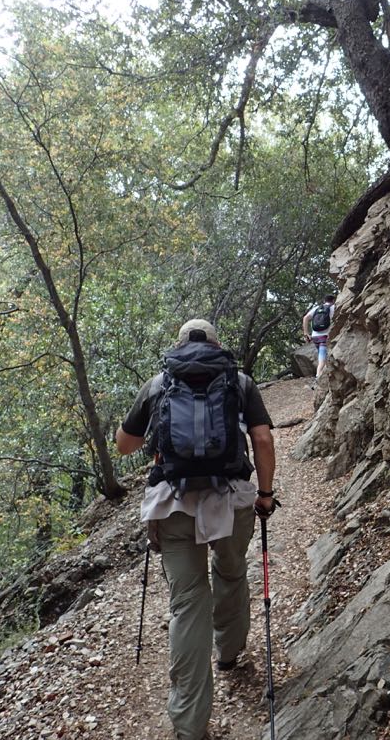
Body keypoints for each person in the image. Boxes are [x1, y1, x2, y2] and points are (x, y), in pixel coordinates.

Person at [115, 319, 277, 740]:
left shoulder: (159, 383)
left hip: (173, 505)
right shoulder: (239, 382)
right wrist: (265, 493)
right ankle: (228, 651)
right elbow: (261, 439)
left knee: (187, 604)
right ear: (217, 344)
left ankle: (189, 724)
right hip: (231, 500)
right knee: (230, 570)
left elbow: (124, 445)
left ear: (179, 345)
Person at [302, 294, 336, 380]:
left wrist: (306, 333)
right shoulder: (333, 307)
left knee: (323, 356)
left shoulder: (317, 308)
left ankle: (323, 376)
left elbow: (305, 318)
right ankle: (318, 377)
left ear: (324, 301)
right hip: (324, 336)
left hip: (315, 337)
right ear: (333, 301)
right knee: (322, 359)